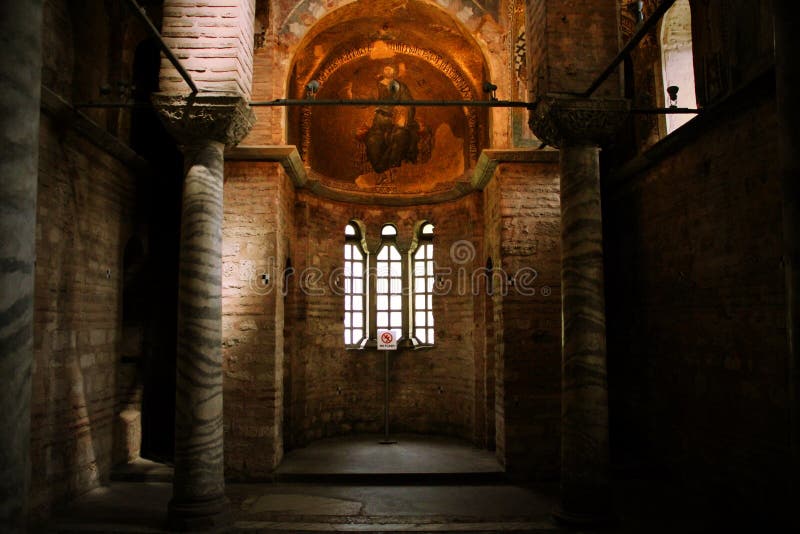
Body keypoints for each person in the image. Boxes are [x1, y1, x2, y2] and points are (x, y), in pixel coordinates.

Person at [363, 65, 420, 174]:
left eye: (390, 68)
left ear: (395, 71)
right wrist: (350, 95)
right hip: (379, 122)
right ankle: (379, 169)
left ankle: (389, 170)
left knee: (400, 137)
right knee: (372, 141)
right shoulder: (376, 86)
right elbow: (365, 100)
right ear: (382, 71)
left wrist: (403, 116)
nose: (388, 71)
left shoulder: (401, 87)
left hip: (396, 122)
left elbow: (410, 104)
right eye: (386, 69)